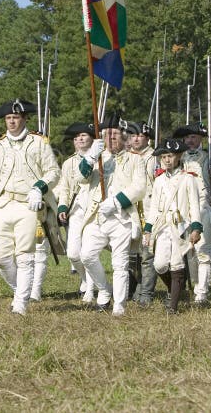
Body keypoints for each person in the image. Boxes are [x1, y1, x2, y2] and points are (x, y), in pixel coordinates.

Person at [0, 99, 60, 315]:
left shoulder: (39, 143)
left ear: (25, 119)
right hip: (2, 204)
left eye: (16, 117)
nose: (12, 122)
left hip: (28, 204)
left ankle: (20, 304)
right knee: (1, 257)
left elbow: (54, 172)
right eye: (8, 118)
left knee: (25, 255)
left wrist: (39, 187)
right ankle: (20, 291)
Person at [77, 113, 146, 316]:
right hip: (96, 216)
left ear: (124, 136)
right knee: (86, 255)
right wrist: (89, 158)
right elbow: (80, 179)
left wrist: (117, 202)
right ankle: (105, 289)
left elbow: (140, 187)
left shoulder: (135, 159)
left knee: (120, 263)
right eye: (107, 134)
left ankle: (119, 306)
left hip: (121, 217)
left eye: (115, 134)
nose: (111, 138)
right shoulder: (97, 157)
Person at [143, 139, 203, 313]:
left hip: (181, 226)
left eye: (170, 156)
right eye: (164, 156)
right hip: (163, 226)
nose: (167, 160)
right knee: (160, 265)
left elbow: (194, 206)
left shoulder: (188, 179)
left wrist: (196, 228)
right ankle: (176, 289)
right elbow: (154, 207)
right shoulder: (159, 180)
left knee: (177, 264)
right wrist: (148, 229)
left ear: (178, 156)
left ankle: (173, 306)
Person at [174, 122, 211, 299]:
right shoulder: (178, 159)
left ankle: (202, 291)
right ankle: (189, 286)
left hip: (205, 206)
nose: (190, 140)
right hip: (183, 210)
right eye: (187, 137)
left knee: (203, 250)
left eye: (194, 137)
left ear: (200, 139)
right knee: (187, 251)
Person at [56, 122, 96, 303]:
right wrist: (62, 207)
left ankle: (94, 288)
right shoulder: (68, 163)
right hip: (76, 210)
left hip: (95, 210)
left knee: (89, 252)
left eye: (84, 136)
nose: (79, 139)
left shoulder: (100, 159)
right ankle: (86, 279)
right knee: (73, 253)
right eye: (76, 137)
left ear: (92, 139)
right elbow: (64, 188)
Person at [124, 121, 157, 307]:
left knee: (147, 253)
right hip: (131, 209)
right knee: (131, 254)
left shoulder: (154, 157)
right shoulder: (126, 157)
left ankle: (146, 292)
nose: (136, 139)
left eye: (140, 136)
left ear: (147, 138)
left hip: (149, 207)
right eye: (133, 136)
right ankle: (133, 286)